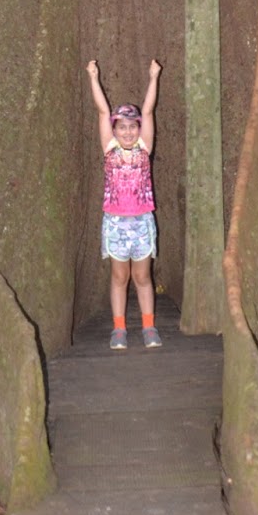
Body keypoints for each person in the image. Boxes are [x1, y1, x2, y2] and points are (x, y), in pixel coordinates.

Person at [85, 57, 162, 350]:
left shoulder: (145, 148)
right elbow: (103, 110)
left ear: (139, 129)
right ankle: (119, 329)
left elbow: (150, 108)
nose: (128, 132)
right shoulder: (110, 149)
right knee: (119, 276)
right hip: (115, 221)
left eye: (133, 127)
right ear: (115, 130)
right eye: (122, 127)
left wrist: (153, 77)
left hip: (142, 221)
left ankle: (148, 326)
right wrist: (94, 76)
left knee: (142, 276)